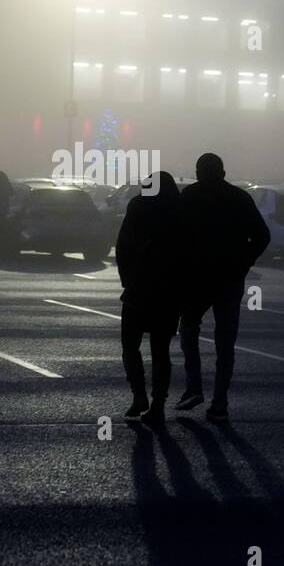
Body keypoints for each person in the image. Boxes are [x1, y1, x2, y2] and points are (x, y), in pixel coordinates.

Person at [176, 152, 271, 421]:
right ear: (223, 172)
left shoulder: (190, 197)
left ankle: (194, 386)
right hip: (230, 278)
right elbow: (262, 235)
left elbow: (174, 236)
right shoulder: (239, 198)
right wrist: (244, 262)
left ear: (199, 172)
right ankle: (220, 399)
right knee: (225, 341)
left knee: (189, 328)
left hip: (197, 278)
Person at [115, 171, 182, 424]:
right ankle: (158, 404)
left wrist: (127, 278)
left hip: (138, 289)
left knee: (130, 346)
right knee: (160, 351)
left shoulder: (138, 206)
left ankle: (138, 395)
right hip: (169, 293)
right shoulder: (178, 211)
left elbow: (122, 245)